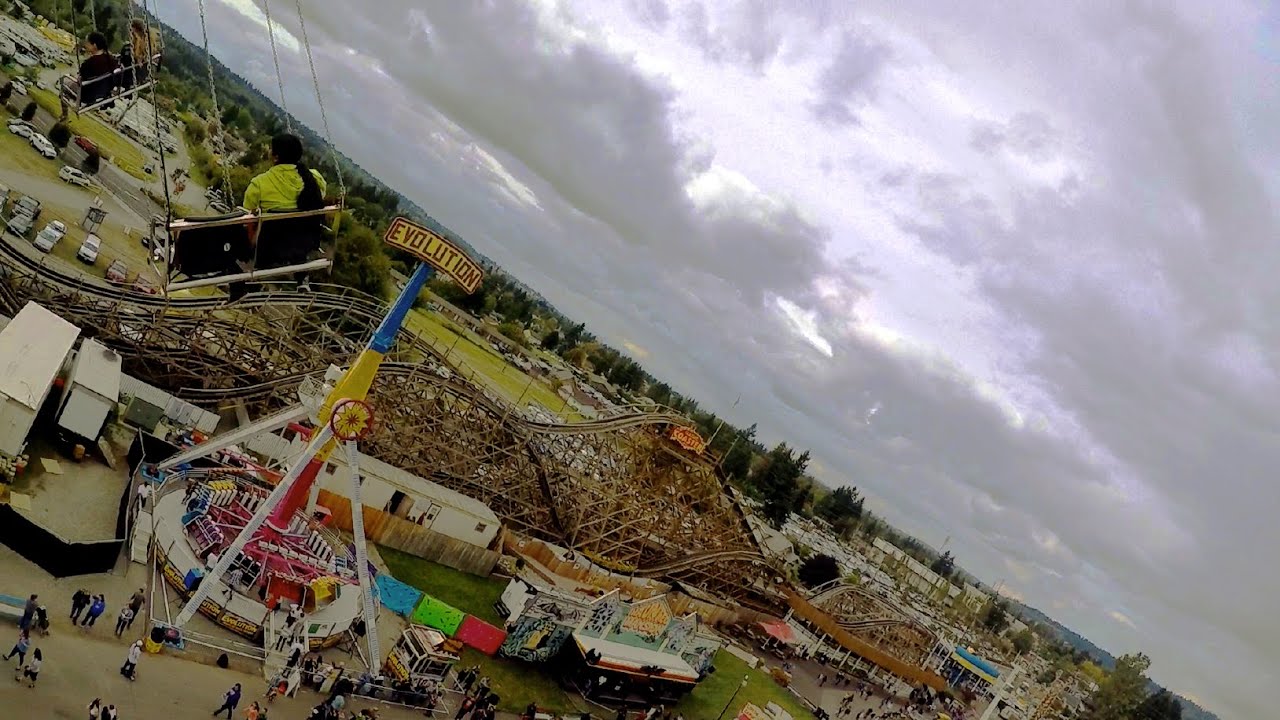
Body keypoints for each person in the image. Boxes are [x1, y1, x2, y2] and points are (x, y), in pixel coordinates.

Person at [241, 133, 329, 291]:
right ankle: (302, 278)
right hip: (303, 244)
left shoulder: (259, 184)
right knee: (294, 229)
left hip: (270, 248)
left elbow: (248, 216)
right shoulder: (313, 179)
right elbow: (321, 194)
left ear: (275, 157)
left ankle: (248, 281)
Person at [66, 32, 119, 114]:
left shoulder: (90, 62)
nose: (85, 45)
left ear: (94, 46)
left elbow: (81, 80)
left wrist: (73, 76)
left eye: (87, 43)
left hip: (86, 95)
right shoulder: (112, 61)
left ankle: (64, 114)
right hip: (102, 94)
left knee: (65, 81)